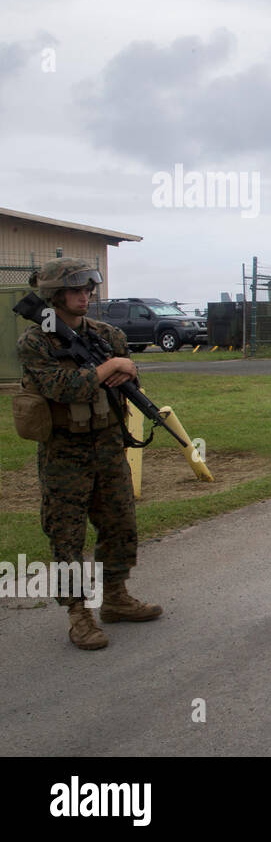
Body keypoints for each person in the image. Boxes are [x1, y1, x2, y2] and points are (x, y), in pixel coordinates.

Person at [16, 259, 163, 650]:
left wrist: (127, 366)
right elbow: (61, 388)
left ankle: (116, 597)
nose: (85, 297)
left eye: (88, 290)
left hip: (108, 445)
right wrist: (109, 368)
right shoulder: (36, 341)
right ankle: (79, 614)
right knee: (67, 536)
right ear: (54, 295)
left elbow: (127, 376)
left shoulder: (107, 335)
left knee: (120, 522)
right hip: (64, 451)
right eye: (75, 290)